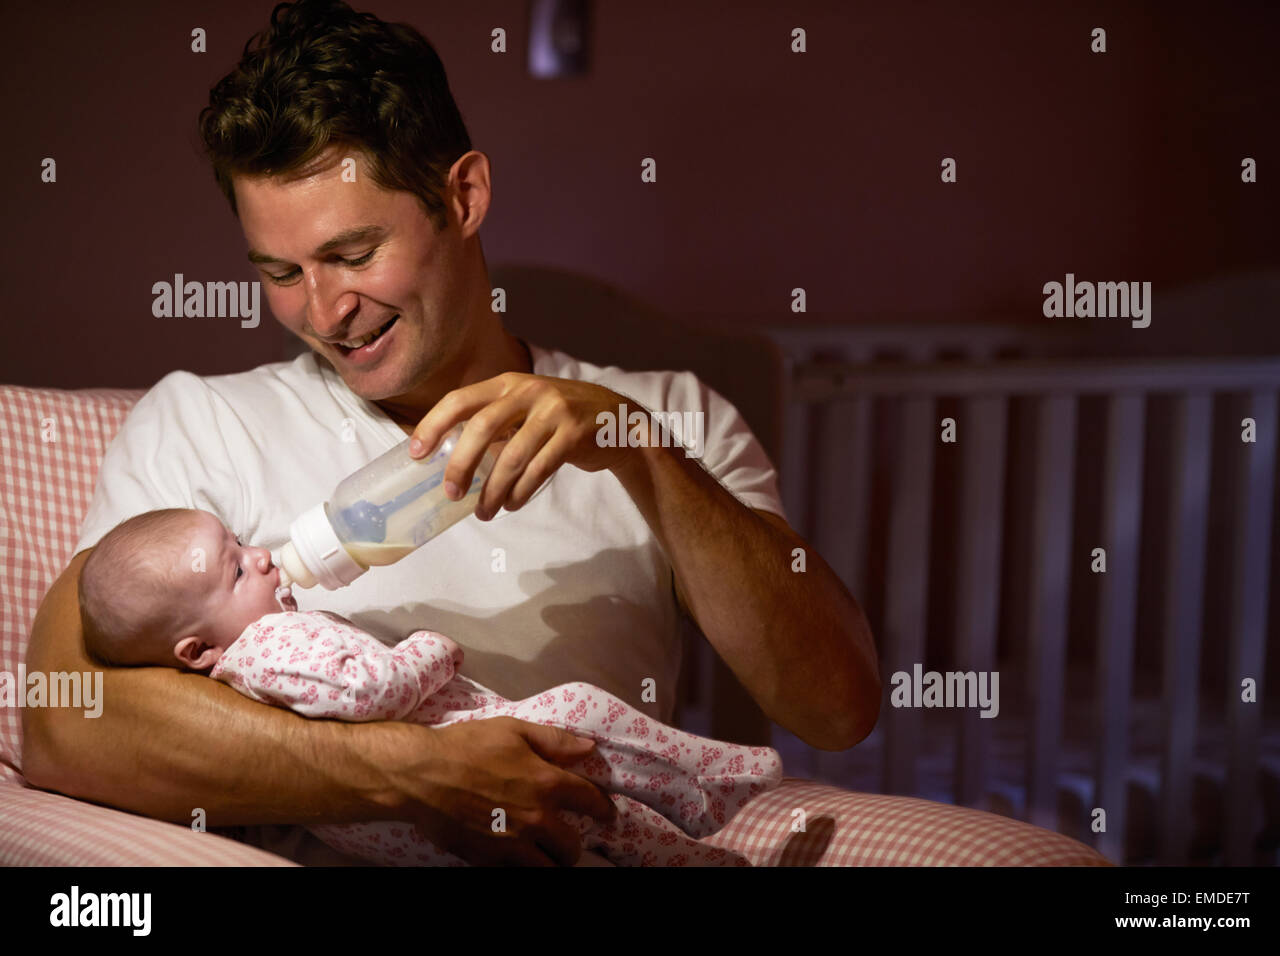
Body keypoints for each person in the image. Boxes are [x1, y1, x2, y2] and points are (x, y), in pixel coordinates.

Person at [22, 0, 880, 866]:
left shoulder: (666, 413)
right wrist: (410, 772)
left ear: (462, 196)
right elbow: (66, 723)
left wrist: (639, 452)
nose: (324, 312)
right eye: (281, 272)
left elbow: (837, 706)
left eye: (354, 255)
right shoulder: (200, 422)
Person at [76, 506, 781, 866]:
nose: (260, 557)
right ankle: (710, 777)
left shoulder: (245, 667)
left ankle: (695, 853)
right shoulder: (268, 645)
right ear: (196, 650)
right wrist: (430, 649)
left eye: (241, 543)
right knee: (580, 715)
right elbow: (365, 692)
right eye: (235, 570)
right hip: (457, 745)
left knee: (595, 820)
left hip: (410, 830)